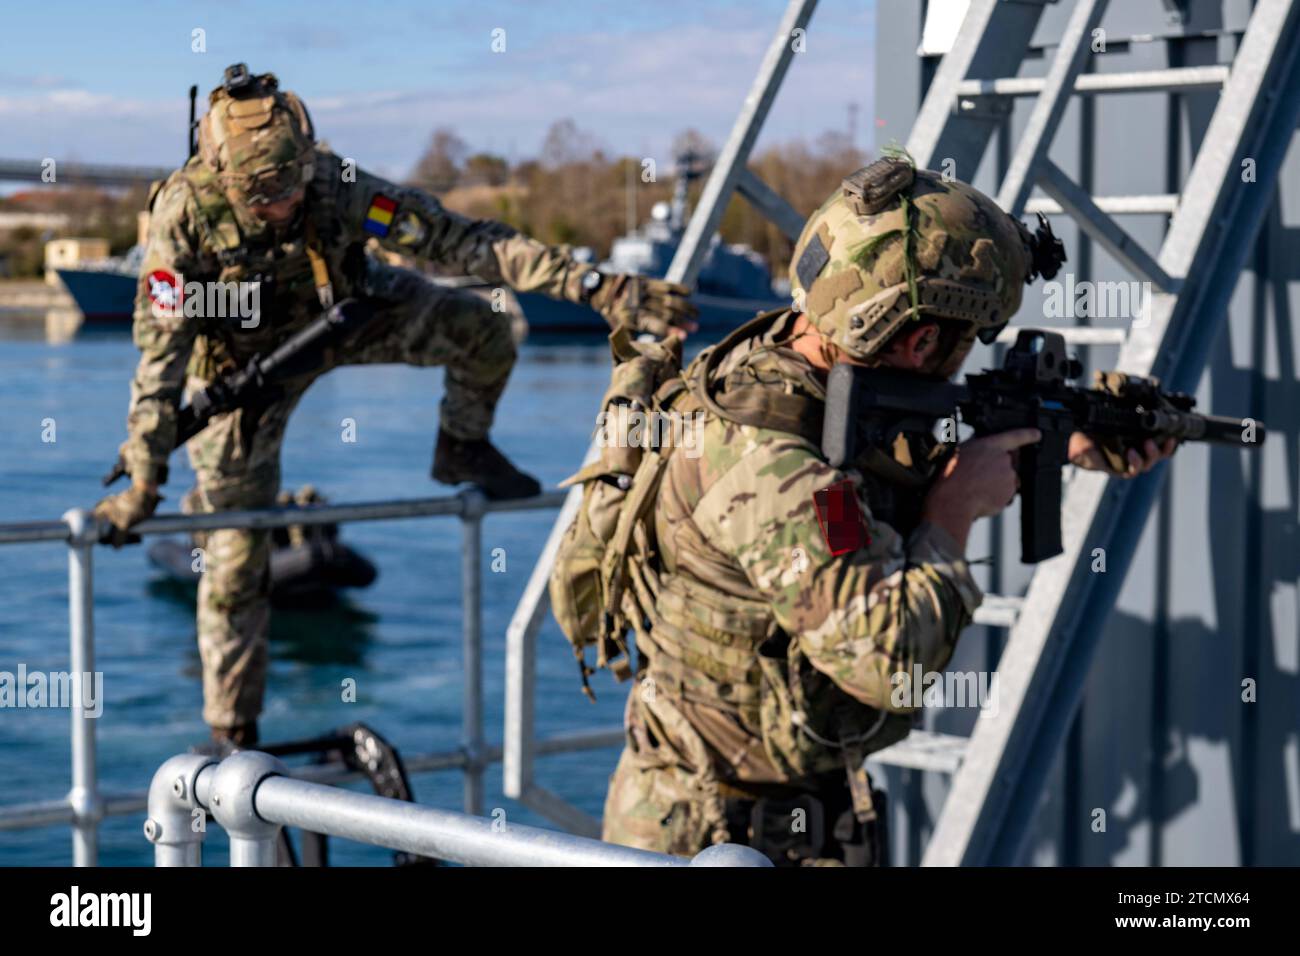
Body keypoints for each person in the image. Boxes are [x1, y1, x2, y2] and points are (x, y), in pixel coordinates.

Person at [93, 64, 695, 747]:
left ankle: (461, 445)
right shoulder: (183, 214)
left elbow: (463, 240)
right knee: (236, 546)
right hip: (242, 373)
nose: (282, 208)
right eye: (261, 199)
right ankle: (234, 734)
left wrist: (596, 287)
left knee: (484, 328)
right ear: (224, 180)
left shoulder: (339, 187)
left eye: (291, 189)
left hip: (348, 315)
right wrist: (145, 480)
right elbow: (161, 352)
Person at [598, 157, 1174, 865]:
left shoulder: (779, 360)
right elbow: (886, 659)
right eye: (966, 341)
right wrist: (956, 508)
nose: (962, 362)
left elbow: (874, 474)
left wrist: (1058, 439)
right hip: (715, 836)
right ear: (922, 339)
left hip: (793, 808)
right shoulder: (768, 456)